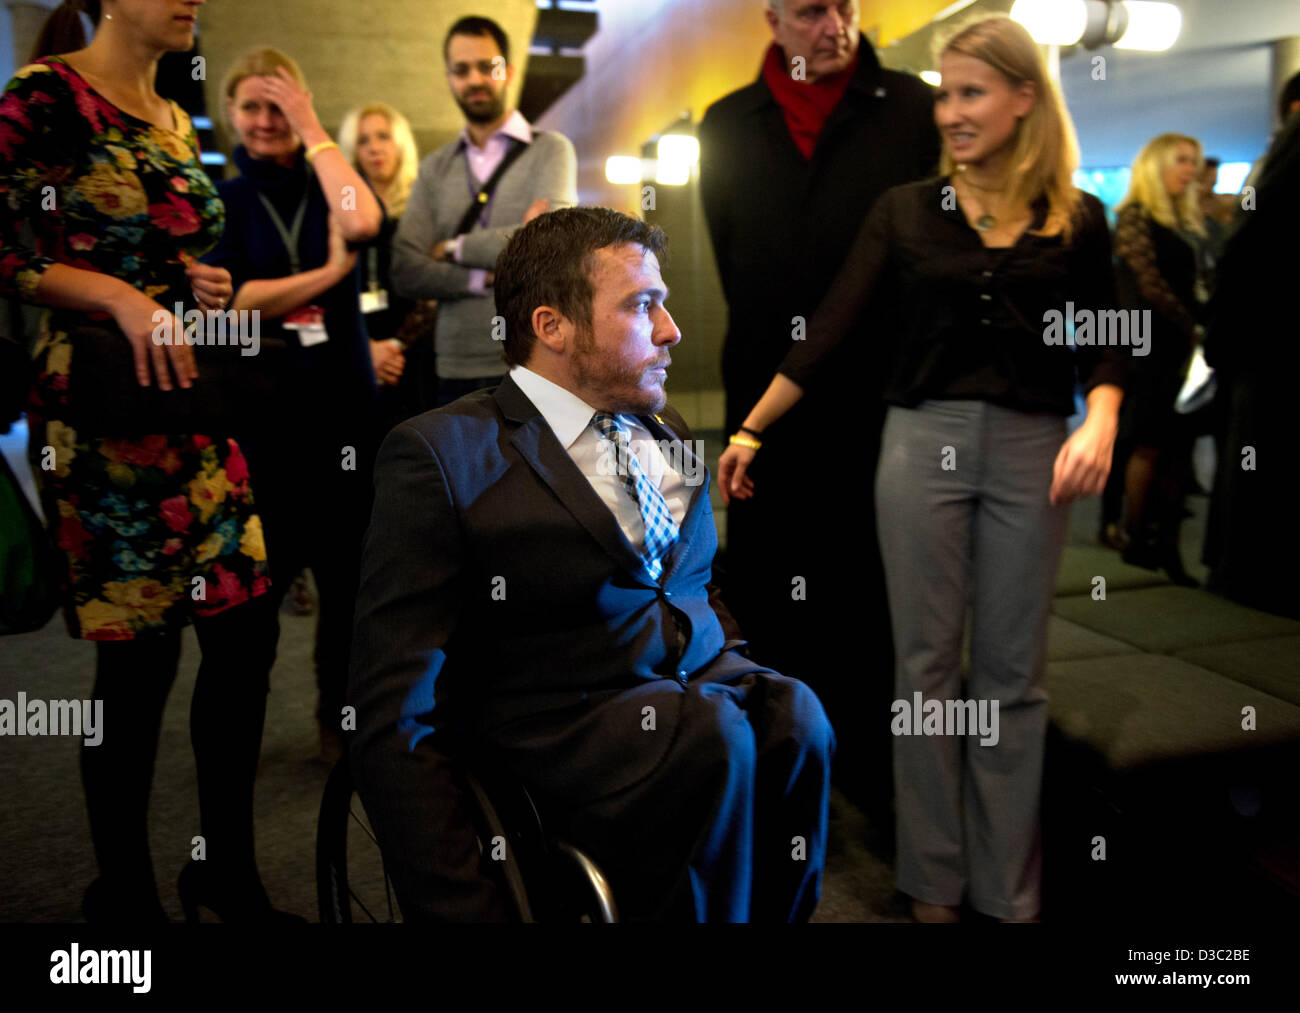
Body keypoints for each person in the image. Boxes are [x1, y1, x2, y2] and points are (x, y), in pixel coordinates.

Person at [717, 13, 1126, 922]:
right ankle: (935, 882)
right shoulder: (907, 208)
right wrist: (750, 430)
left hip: (1032, 450)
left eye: (971, 93)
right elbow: (828, 330)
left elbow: (1104, 340)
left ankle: (1011, 888)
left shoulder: (1079, 218)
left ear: (1026, 99)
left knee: (1014, 679)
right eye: (944, 94)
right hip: (919, 446)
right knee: (926, 672)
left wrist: (1100, 414)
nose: (949, 113)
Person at [350, 206, 834, 922]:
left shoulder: (661, 426)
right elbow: (395, 708)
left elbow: (694, 584)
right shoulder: (442, 454)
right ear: (553, 326)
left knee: (796, 713)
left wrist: (724, 654)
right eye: (644, 306)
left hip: (694, 700)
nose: (672, 330)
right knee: (714, 739)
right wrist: (461, 903)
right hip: (559, 731)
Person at [0, 0, 292, 922]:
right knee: (138, 668)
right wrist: (118, 295)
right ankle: (121, 893)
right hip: (106, 421)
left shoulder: (174, 110)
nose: (192, 1)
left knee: (246, 643)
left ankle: (228, 875)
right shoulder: (45, 95)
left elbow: (174, 248)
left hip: (195, 410)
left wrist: (196, 281)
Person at [698, 0, 939, 814]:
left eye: (847, 4)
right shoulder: (728, 121)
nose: (834, 22)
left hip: (882, 390)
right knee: (770, 579)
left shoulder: (911, 105)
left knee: (873, 583)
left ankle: (873, 771)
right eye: (811, 10)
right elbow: (736, 259)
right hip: (767, 394)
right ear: (771, 18)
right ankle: (787, 773)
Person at [202, 47, 383, 764]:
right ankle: (240, 723)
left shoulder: (326, 180)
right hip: (263, 418)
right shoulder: (222, 196)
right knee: (261, 592)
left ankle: (338, 718)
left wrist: (315, 128)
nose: (266, 119)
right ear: (231, 115)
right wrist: (329, 274)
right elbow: (231, 301)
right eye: (252, 105)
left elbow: (363, 219)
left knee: (348, 585)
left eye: (281, 104)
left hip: (344, 410)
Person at [390, 15, 577, 409]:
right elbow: (405, 269)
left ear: (508, 71)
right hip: (455, 366)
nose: (474, 79)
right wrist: (484, 277)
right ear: (449, 78)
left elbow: (547, 243)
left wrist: (451, 248)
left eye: (486, 66)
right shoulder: (434, 168)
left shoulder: (551, 150)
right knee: (461, 472)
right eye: (461, 69)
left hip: (535, 359)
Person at [1202, 72, 1300, 618]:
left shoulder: (1281, 159)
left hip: (1261, 351)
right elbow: (1245, 250)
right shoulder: (1291, 153)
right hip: (1273, 354)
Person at [1111, 134, 1209, 586]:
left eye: (1194, 161)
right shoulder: (1136, 217)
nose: (1190, 169)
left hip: (1183, 348)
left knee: (1177, 448)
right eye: (1181, 160)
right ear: (1157, 165)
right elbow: (1148, 286)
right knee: (1149, 442)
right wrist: (1194, 322)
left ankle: (1166, 542)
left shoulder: (1188, 222)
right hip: (1151, 346)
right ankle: (1137, 535)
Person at [338, 101, 435, 432]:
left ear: (401, 145)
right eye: (363, 140)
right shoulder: (341, 212)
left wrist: (393, 347)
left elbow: (433, 292)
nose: (374, 147)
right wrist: (365, 350)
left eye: (383, 136)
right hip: (352, 353)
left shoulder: (424, 209)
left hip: (415, 357)